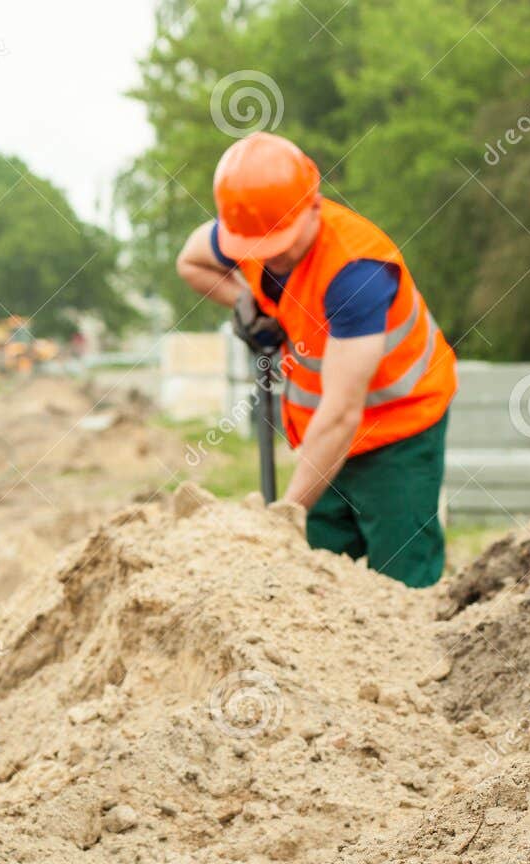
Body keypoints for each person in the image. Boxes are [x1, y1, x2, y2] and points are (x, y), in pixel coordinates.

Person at [175, 131, 456, 588]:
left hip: (397, 432)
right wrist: (245, 302)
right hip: (321, 440)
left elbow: (344, 412)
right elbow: (190, 262)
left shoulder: (356, 271)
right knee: (315, 575)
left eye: (282, 240)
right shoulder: (247, 233)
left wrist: (285, 517)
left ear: (313, 202)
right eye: (260, 246)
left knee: (403, 583)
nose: (275, 255)